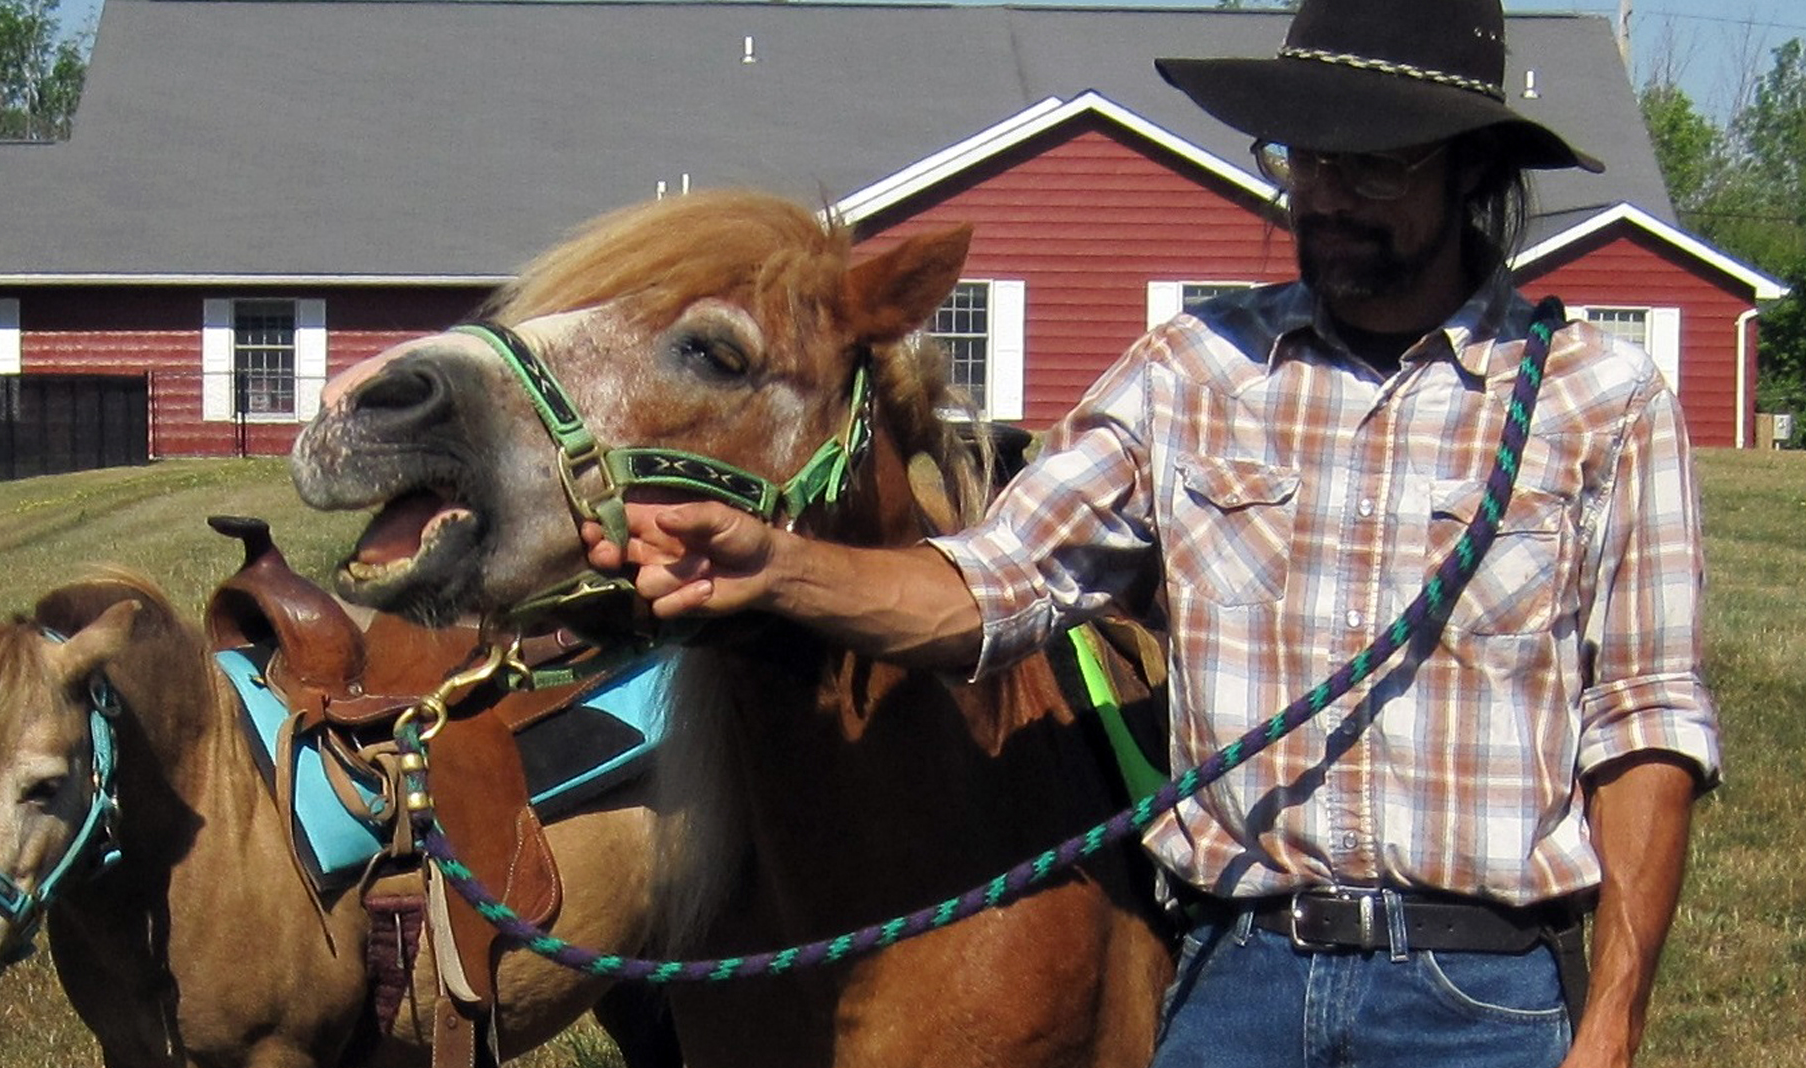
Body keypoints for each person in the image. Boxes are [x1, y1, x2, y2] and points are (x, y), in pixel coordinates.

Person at [588, 0, 1718, 1065]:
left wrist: (1613, 1015)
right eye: (1303, 157)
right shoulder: (1194, 372)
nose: (1323, 194)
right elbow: (991, 590)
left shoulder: (1600, 403)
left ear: (1474, 169)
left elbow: (1646, 728)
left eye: (1373, 163)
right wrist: (777, 568)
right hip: (1242, 978)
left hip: (1481, 990)